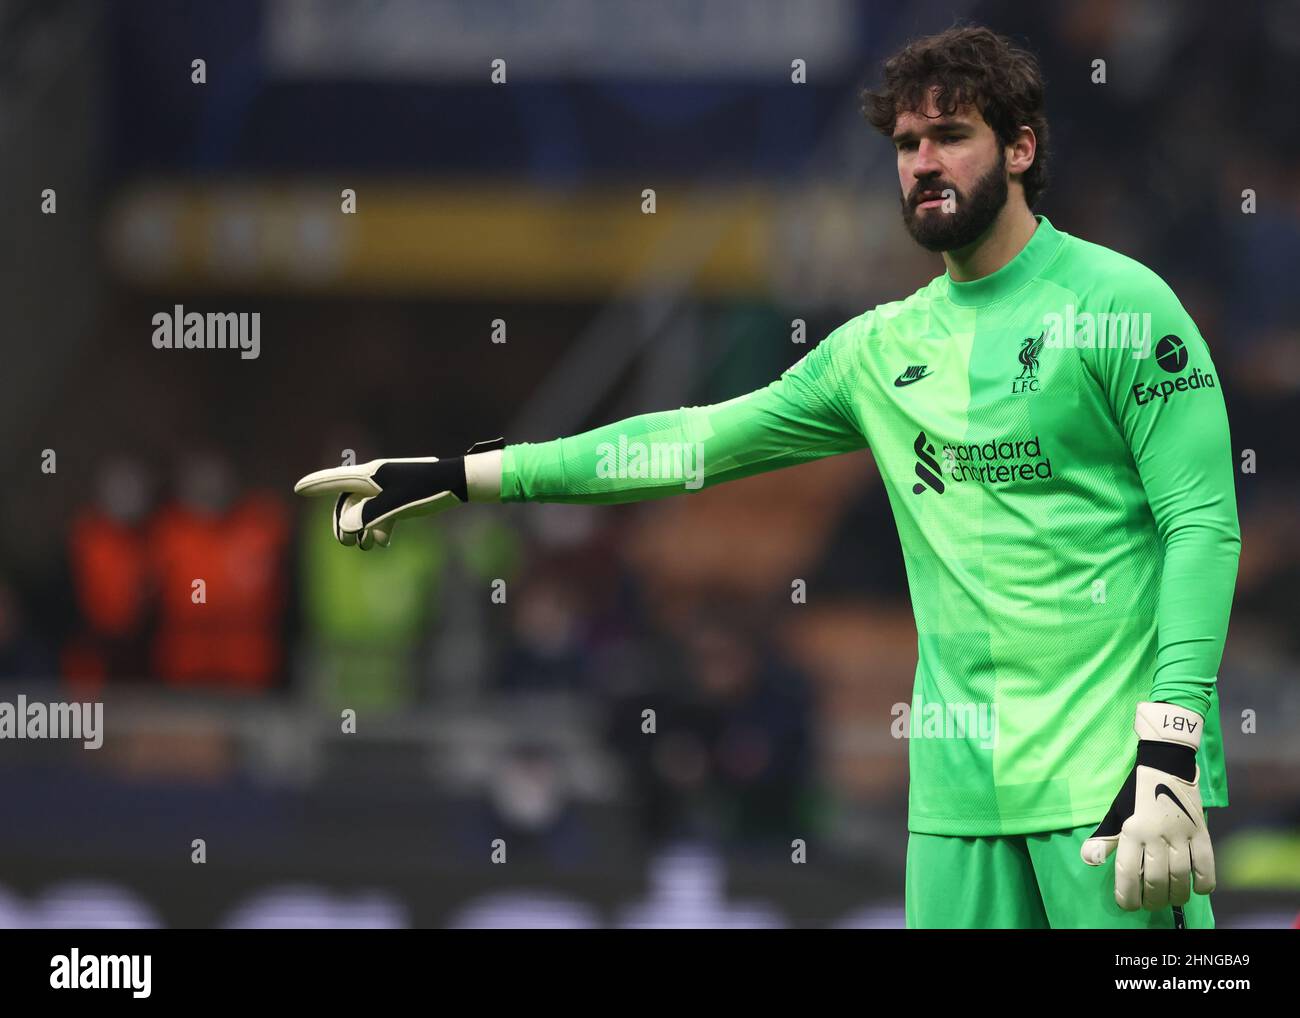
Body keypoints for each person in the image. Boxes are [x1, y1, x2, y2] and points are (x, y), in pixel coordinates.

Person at [294, 26, 1240, 929]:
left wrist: (1169, 750)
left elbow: (1203, 524)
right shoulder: (880, 349)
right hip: (958, 802)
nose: (922, 163)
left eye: (952, 136)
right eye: (907, 143)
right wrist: (465, 475)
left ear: (1022, 148)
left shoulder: (1120, 305)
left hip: (1116, 785)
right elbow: (688, 445)